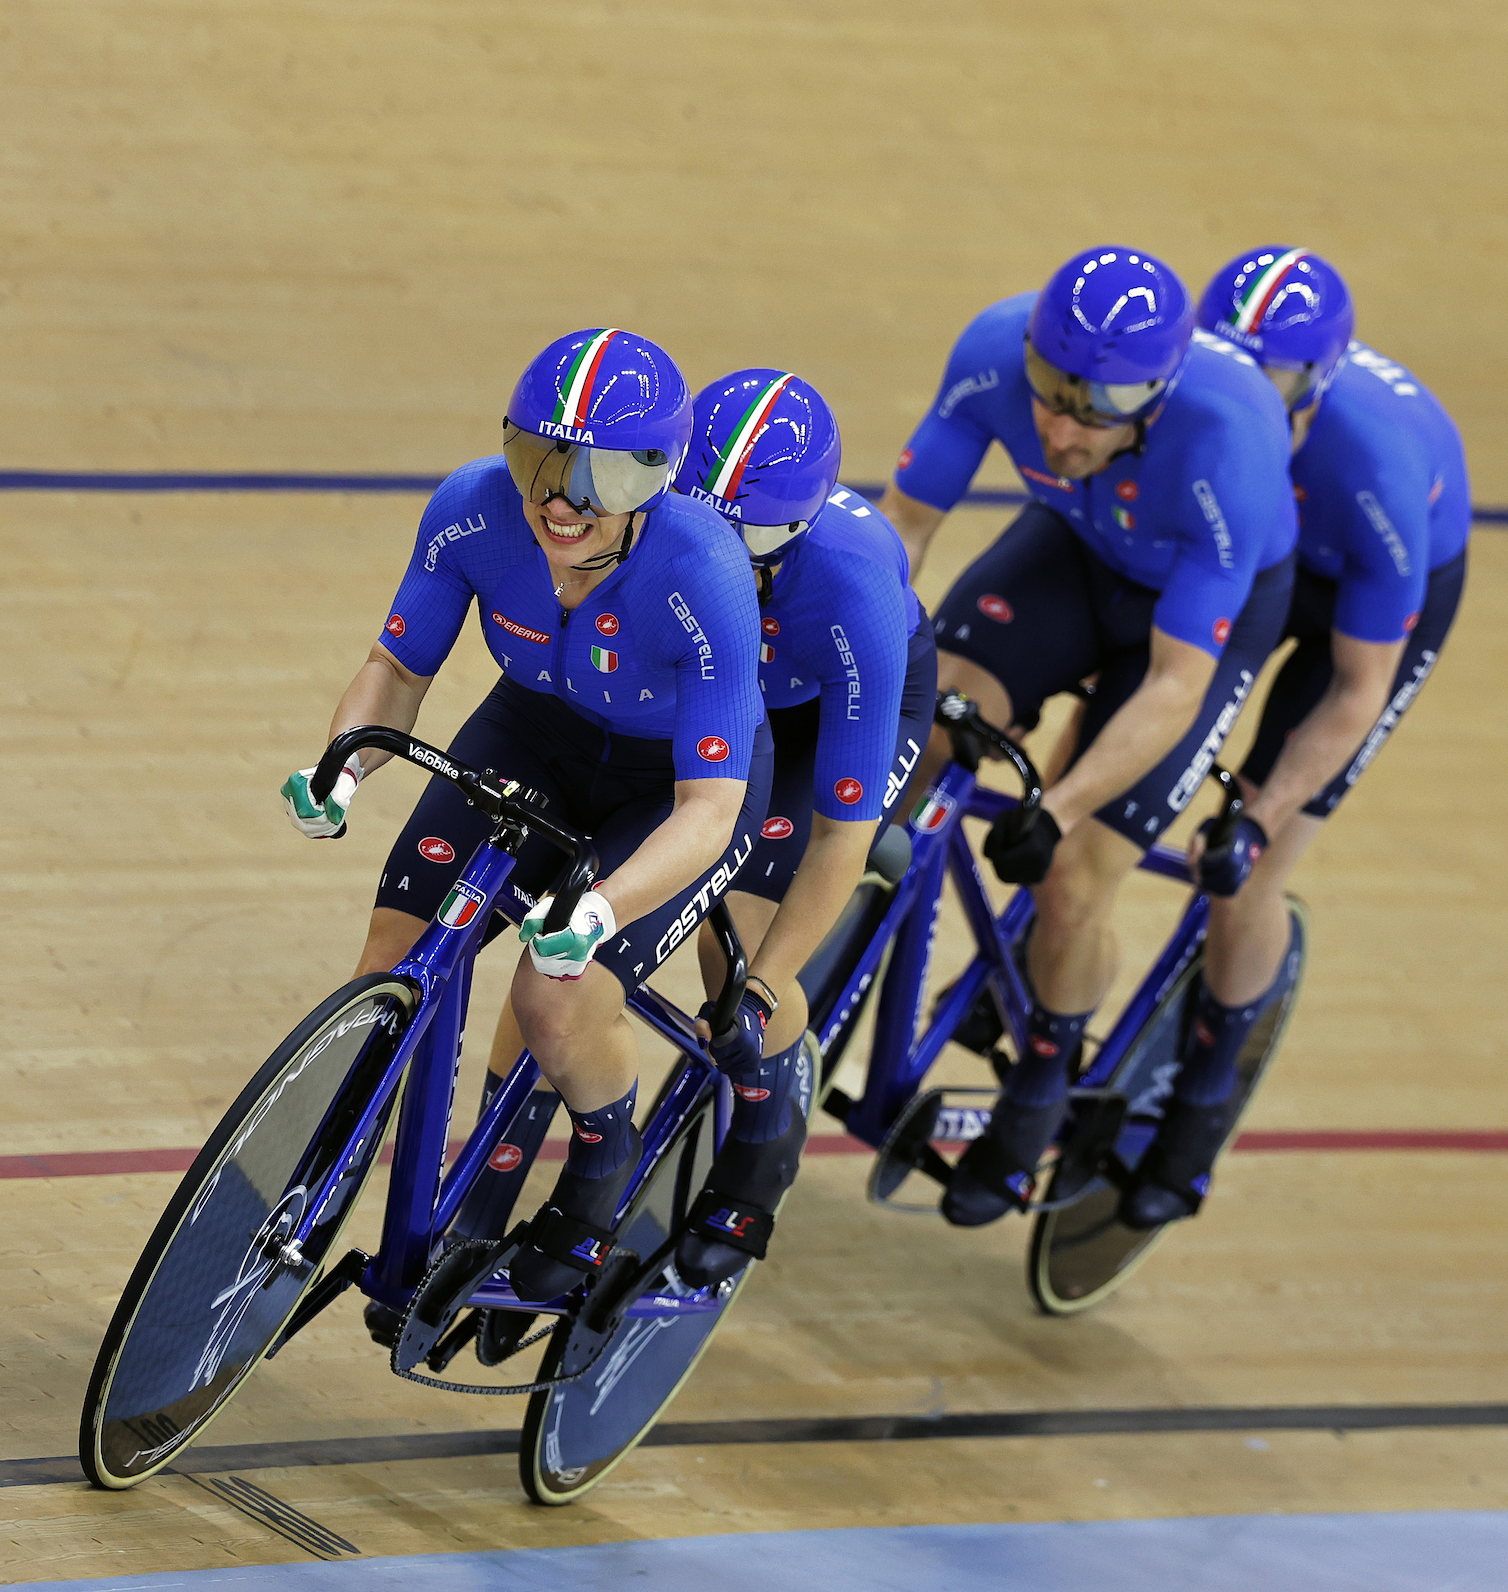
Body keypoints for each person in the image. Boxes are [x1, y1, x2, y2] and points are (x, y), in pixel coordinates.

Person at [276, 327, 768, 1302]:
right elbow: (397, 669)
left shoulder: (704, 572)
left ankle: (598, 1157)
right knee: (390, 957)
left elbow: (711, 810)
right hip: (534, 731)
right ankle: (320, 1184)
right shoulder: (472, 509)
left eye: (596, 477)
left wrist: (601, 908)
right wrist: (340, 768)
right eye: (539, 457)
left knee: (553, 989)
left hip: (665, 787)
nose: (558, 498)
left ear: (655, 477)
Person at [881, 246, 1299, 1227]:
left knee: (1070, 878)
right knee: (922, 726)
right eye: (1048, 396)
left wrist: (1056, 805)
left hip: (1194, 629)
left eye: (1092, 414)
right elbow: (902, 526)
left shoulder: (1229, 440)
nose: (1057, 429)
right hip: (1075, 551)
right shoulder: (993, 346)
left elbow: (1173, 684)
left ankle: (1042, 1081)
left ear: (1153, 400)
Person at [1118, 247, 1472, 1230]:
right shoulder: (1186, 410)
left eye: (1268, 381)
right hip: (1259, 553)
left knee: (1245, 869)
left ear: (1313, 388)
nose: (1243, 395)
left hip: (1366, 588)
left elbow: (1360, 689)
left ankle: (1204, 1096)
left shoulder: (1377, 472)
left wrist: (1262, 814)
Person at [666, 368, 938, 1284]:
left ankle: (760, 1144)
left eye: (740, 550)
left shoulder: (853, 588)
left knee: (737, 940)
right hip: (739, 694)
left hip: (835, 709)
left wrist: (762, 985)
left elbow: (837, 838)